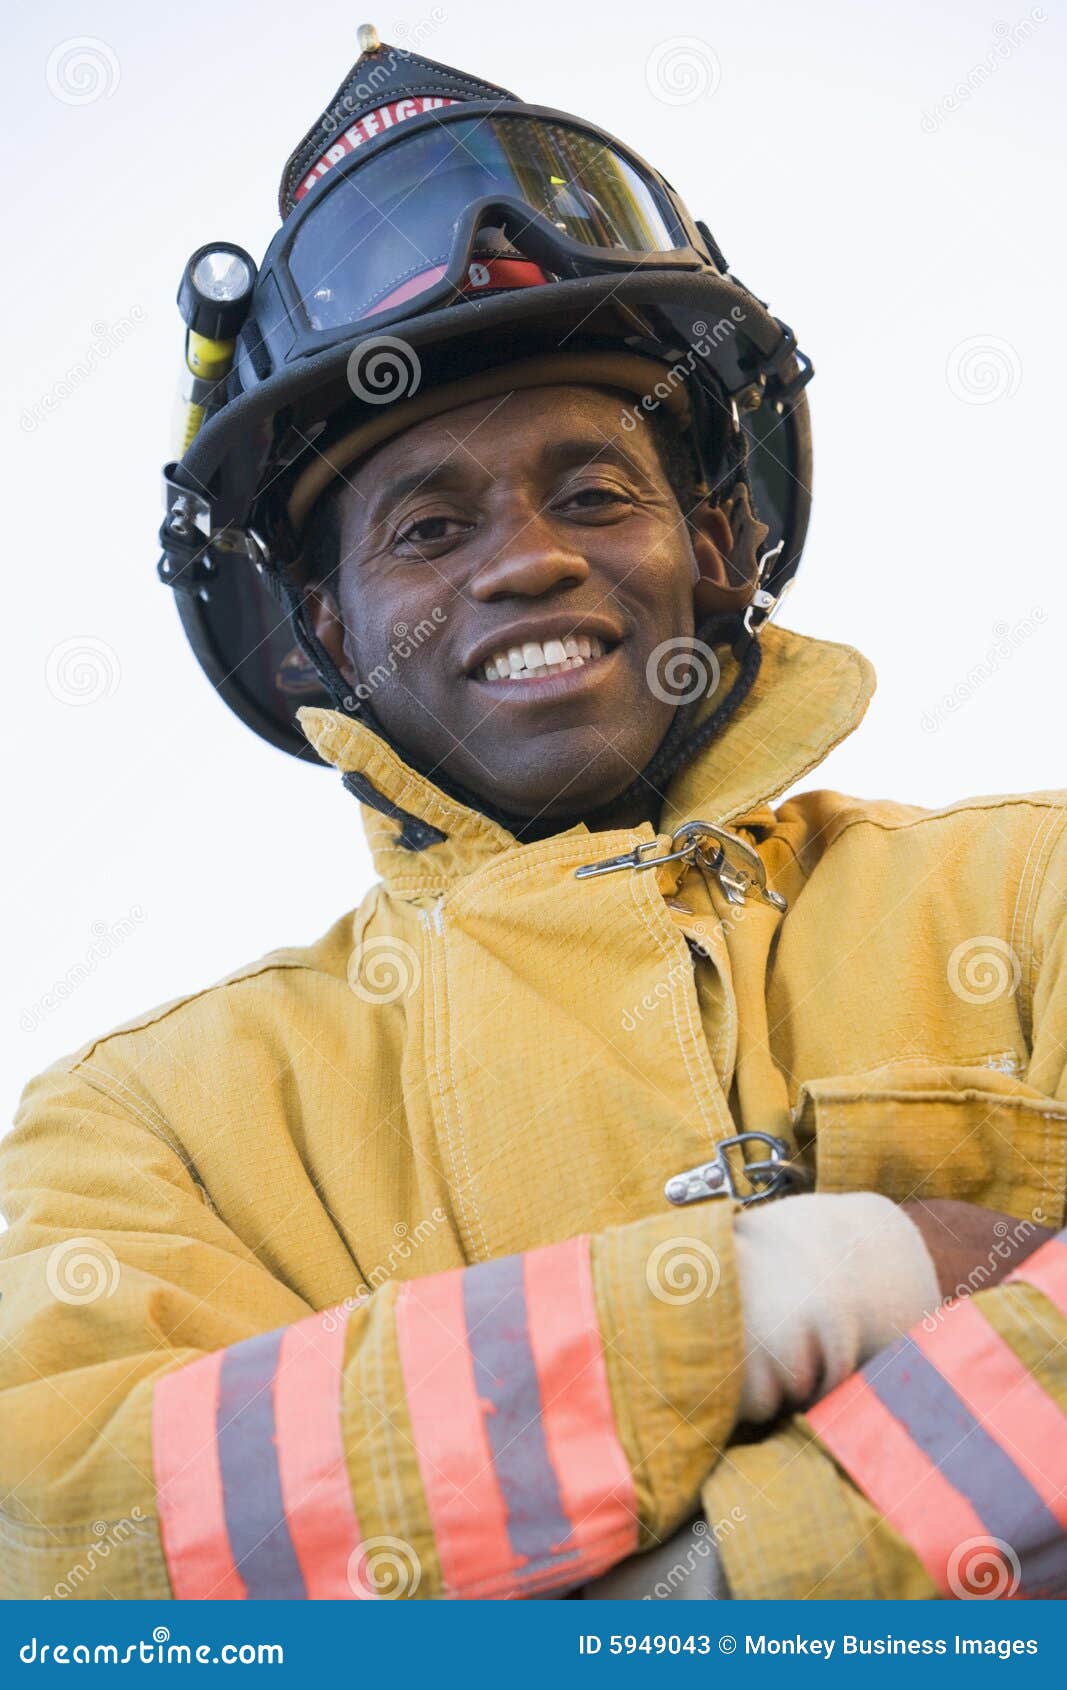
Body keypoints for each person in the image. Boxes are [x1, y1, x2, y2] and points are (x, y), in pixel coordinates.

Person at [2, 29, 1065, 1603]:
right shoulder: (152, 1126)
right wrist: (819, 1286)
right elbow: (72, 1537)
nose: (526, 563)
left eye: (594, 493)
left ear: (712, 544)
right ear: (333, 629)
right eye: (430, 525)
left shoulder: (1023, 892)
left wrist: (672, 1597)